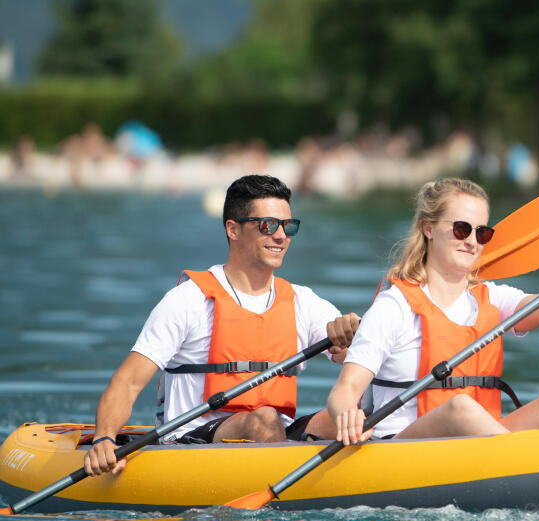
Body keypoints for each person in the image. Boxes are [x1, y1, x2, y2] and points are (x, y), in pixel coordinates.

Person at [84, 174, 360, 476]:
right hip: (194, 442)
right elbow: (128, 382)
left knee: (350, 418)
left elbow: (360, 361)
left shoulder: (303, 302)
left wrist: (350, 336)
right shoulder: (188, 301)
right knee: (264, 418)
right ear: (233, 230)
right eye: (268, 225)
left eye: (288, 226)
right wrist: (105, 438)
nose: (281, 236)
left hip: (274, 436)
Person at [327, 177, 539, 444]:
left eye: (482, 233)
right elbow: (344, 390)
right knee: (462, 409)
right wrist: (348, 415)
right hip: (403, 448)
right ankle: (531, 468)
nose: (472, 241)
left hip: (481, 442)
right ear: (429, 229)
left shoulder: (490, 297)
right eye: (461, 229)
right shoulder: (394, 306)